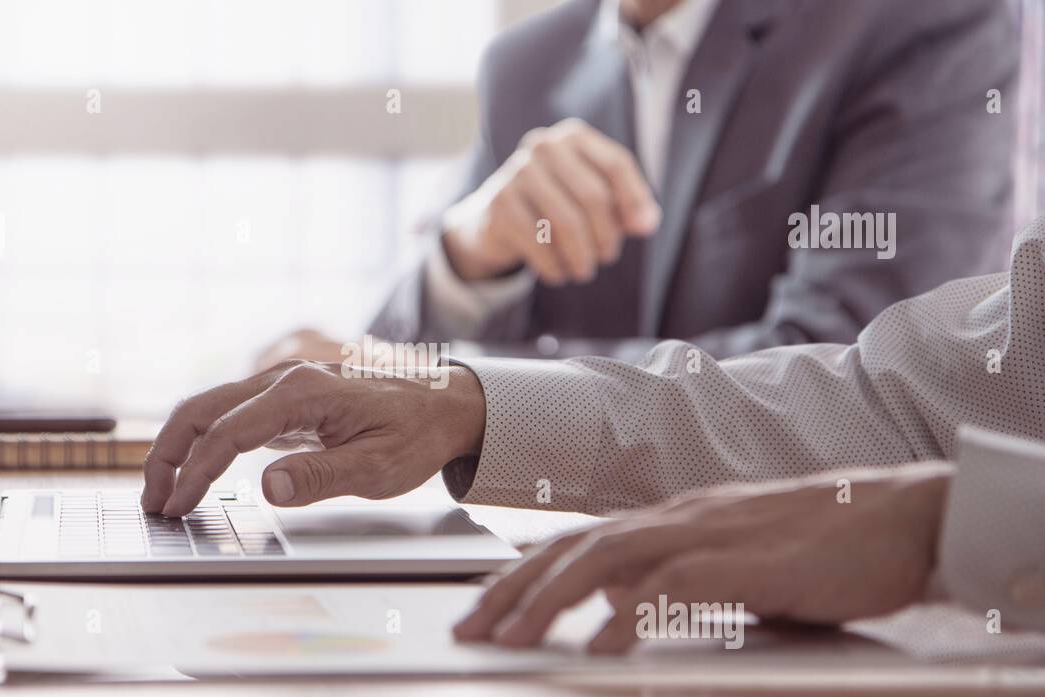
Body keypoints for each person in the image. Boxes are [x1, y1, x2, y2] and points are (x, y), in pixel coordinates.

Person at [143, 218, 1045, 643]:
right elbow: (896, 404)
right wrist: (470, 400)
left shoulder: (911, 21)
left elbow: (832, 345)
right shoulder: (535, 59)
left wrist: (958, 525)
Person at [260, 0, 1018, 368]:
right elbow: (379, 389)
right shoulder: (528, 64)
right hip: (538, 591)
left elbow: (857, 376)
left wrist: (455, 384)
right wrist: (466, 254)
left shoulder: (920, 20)